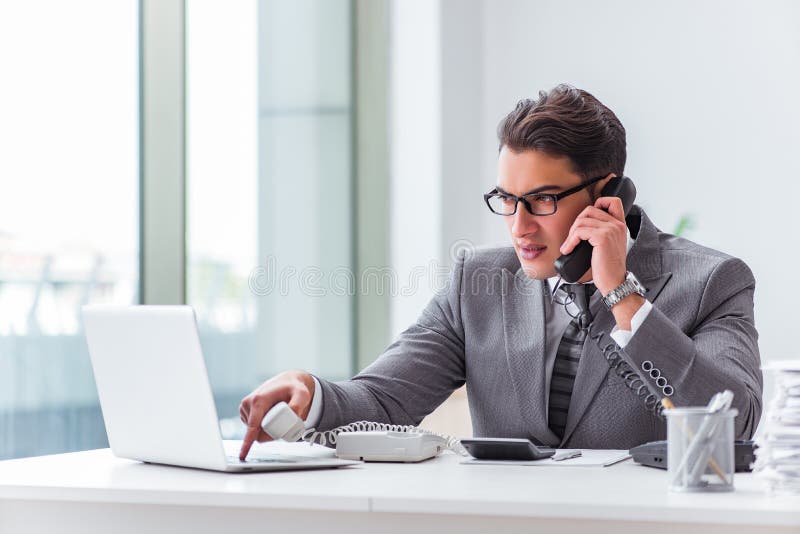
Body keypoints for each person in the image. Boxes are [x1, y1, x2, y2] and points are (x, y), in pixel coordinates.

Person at [238, 84, 763, 460]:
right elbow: (384, 398)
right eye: (507, 200)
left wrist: (624, 297)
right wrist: (312, 394)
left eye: (542, 200)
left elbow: (733, 423)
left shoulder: (711, 283)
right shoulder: (478, 282)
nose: (519, 226)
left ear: (607, 196)